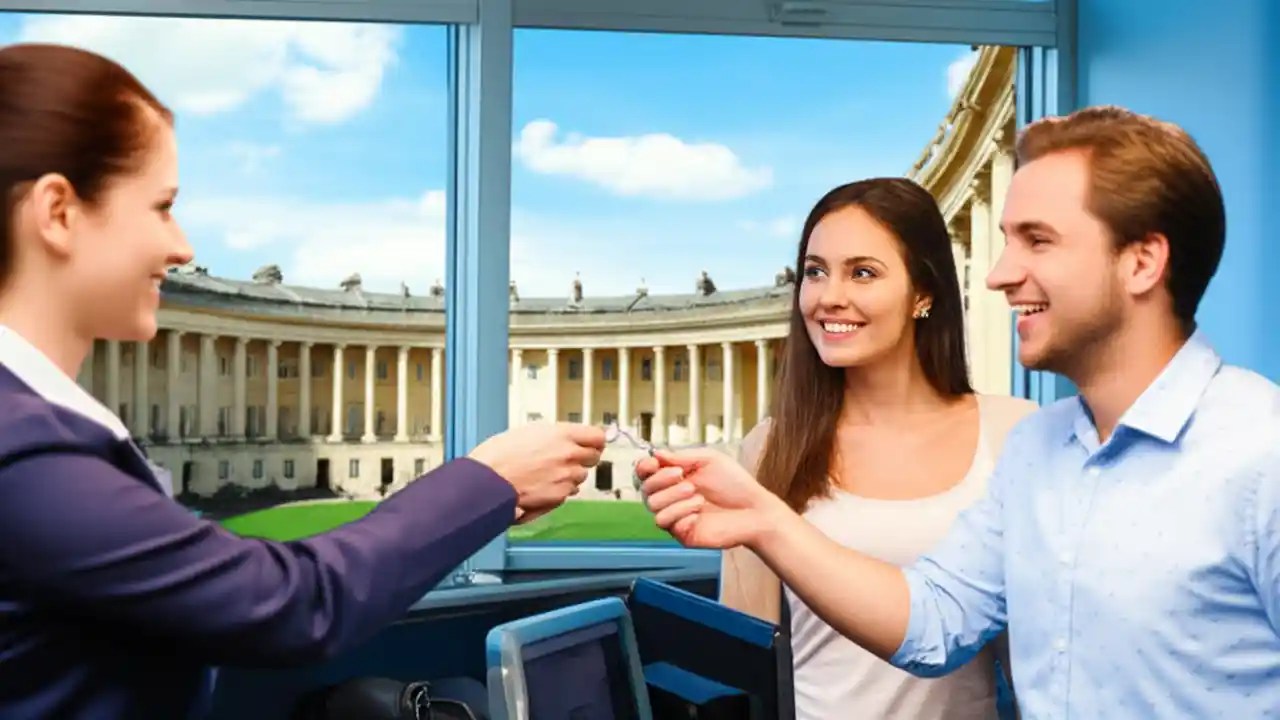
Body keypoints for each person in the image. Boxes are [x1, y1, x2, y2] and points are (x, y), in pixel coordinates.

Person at [0, 43, 604, 719]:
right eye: (162, 205)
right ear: (57, 211)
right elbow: (296, 605)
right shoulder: (21, 448)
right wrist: (488, 479)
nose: (183, 247)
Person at [639, 105, 1280, 718]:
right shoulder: (1040, 452)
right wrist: (767, 522)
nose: (998, 274)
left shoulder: (1260, 453)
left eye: (1038, 241)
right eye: (1006, 241)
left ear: (1142, 262)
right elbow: (934, 623)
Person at [718, 177, 1035, 719]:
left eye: (862, 272)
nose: (829, 296)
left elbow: (1038, 668)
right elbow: (740, 665)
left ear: (924, 292)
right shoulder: (770, 448)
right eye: (815, 271)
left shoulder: (1014, 435)